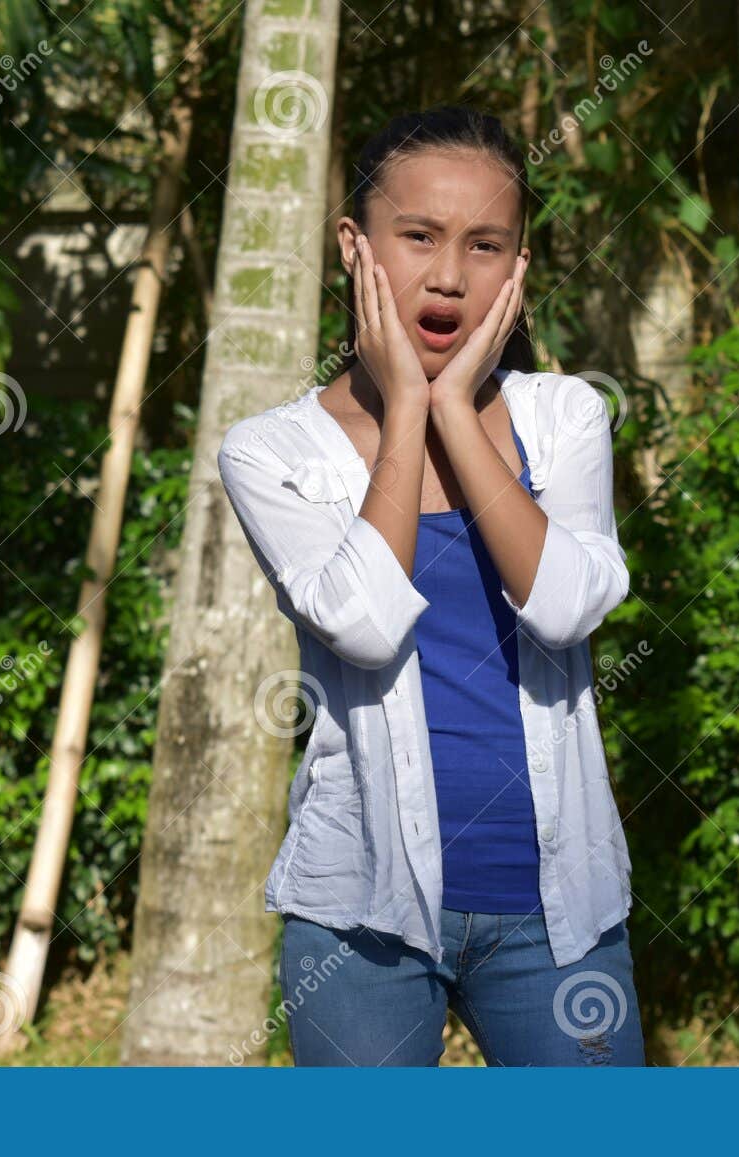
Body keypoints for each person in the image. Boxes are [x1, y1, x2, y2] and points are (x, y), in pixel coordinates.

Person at [216, 105, 641, 1065]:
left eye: (485, 245)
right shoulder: (272, 450)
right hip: (362, 920)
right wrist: (409, 402)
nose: (450, 275)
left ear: (519, 268)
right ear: (353, 245)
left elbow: (567, 608)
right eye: (418, 236)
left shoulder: (564, 416)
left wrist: (452, 405)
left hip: (557, 917)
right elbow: (365, 625)